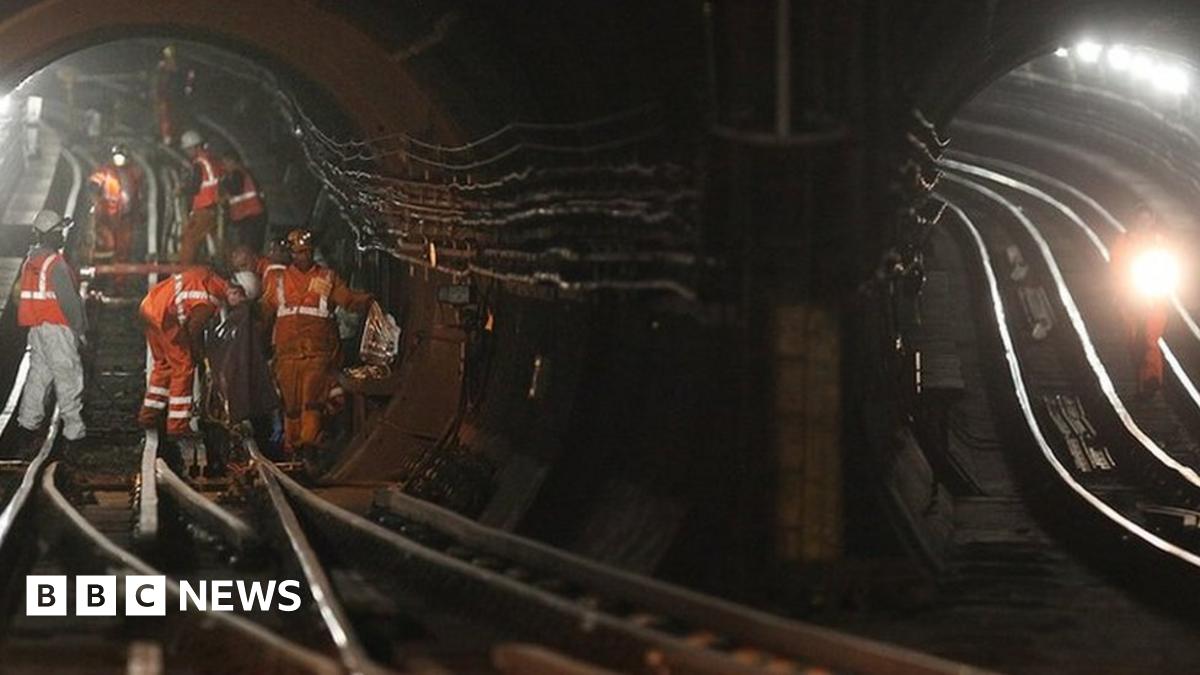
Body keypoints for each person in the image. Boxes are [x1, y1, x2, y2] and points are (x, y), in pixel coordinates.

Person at [260, 228, 372, 454]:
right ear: (291, 254)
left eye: (307, 251)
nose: (304, 256)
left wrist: (370, 300)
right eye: (300, 252)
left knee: (312, 403)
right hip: (287, 355)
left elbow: (348, 301)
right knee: (291, 406)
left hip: (318, 354)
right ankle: (292, 448)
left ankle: (308, 447)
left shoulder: (327, 277)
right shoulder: (277, 280)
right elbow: (264, 314)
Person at [16, 210, 87, 449]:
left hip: (37, 328)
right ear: (51, 235)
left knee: (39, 376)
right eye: (59, 232)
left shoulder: (31, 261)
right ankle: (74, 431)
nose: (62, 236)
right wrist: (79, 328)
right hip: (57, 327)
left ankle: (27, 425)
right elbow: (69, 301)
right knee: (68, 376)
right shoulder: (55, 264)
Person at [138, 265, 238, 437]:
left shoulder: (205, 274)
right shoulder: (211, 297)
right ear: (233, 288)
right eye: (239, 297)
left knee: (163, 365)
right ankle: (178, 425)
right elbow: (193, 328)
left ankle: (149, 415)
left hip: (150, 307)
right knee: (183, 367)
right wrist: (197, 353)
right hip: (166, 318)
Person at [1111, 204, 1173, 397]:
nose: (1144, 223)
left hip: (1155, 295)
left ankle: (1151, 379)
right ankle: (1143, 379)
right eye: (1141, 219)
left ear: (1152, 221)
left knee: (1150, 338)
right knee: (1133, 338)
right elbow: (1116, 264)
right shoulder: (1125, 240)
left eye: (1147, 220)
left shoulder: (1159, 242)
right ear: (1135, 220)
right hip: (1130, 295)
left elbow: (1170, 263)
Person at [86, 144, 142, 266]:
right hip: (108, 216)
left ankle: (119, 280)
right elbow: (96, 178)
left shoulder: (133, 172)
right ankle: (102, 272)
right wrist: (94, 187)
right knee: (107, 244)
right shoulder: (107, 171)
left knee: (124, 247)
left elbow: (137, 193)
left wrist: (138, 213)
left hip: (126, 217)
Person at [177, 130, 223, 265]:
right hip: (215, 207)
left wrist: (181, 189)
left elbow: (194, 187)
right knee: (219, 242)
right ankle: (228, 269)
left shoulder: (199, 164)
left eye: (188, 149)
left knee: (189, 238)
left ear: (196, 147)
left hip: (205, 208)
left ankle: (184, 273)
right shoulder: (213, 160)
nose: (187, 153)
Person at [220, 153, 267, 252]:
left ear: (232, 161)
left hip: (250, 216)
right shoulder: (242, 172)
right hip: (250, 216)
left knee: (249, 247)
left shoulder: (238, 173)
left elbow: (235, 190)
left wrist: (223, 182)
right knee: (249, 246)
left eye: (225, 163)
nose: (224, 166)